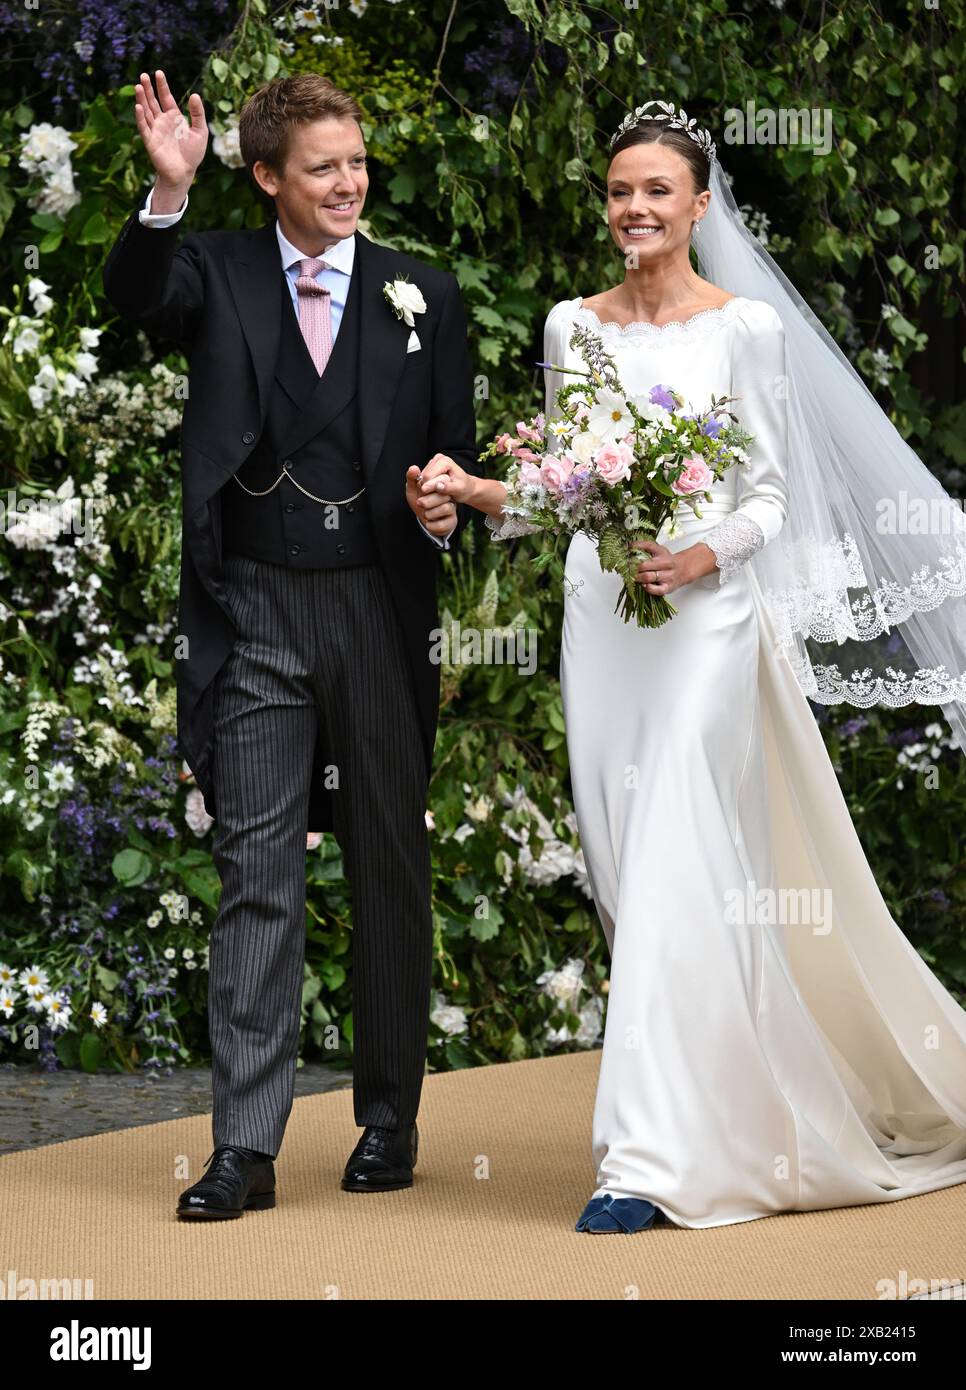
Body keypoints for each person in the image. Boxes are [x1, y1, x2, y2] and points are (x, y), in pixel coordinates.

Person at [413, 101, 966, 1233]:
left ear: (700, 206)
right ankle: (726, 1115)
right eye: (620, 190)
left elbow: (767, 494)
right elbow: (568, 482)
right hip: (603, 617)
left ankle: (647, 1164)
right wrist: (477, 493)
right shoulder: (575, 326)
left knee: (678, 859)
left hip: (706, 621)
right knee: (629, 874)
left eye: (658, 191)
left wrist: (701, 553)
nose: (635, 209)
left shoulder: (745, 329)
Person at [103, 70, 479, 1218]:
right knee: (255, 873)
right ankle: (247, 1148)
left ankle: (389, 1119)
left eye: (357, 162)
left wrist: (443, 505)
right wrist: (166, 192)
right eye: (323, 166)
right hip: (254, 610)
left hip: (376, 605)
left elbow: (454, 467)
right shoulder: (212, 269)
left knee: (386, 865)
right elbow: (131, 303)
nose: (350, 182)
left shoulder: (425, 291)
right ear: (265, 176)